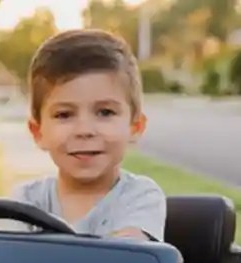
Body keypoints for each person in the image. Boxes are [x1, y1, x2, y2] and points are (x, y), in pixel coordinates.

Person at [10, 29, 166, 242]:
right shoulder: (24, 201)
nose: (84, 130)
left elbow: (127, 258)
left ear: (135, 127)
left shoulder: (139, 197)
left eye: (105, 112)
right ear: (38, 132)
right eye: (64, 115)